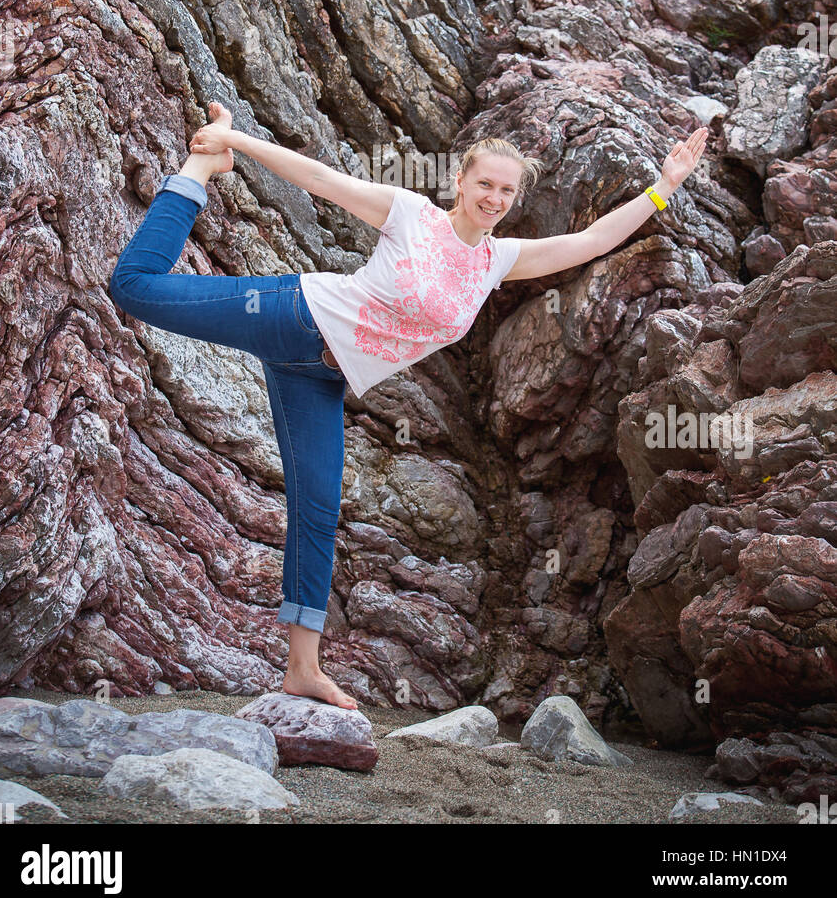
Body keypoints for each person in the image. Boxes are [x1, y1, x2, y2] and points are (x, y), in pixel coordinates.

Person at [109, 102, 708, 708]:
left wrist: (663, 187)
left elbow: (591, 240)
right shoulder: (410, 215)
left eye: (506, 189)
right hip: (294, 316)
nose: (493, 197)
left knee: (316, 506)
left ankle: (302, 669)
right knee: (136, 288)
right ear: (460, 181)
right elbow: (319, 178)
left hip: (319, 379)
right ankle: (198, 171)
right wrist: (232, 141)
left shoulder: (499, 261)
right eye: (484, 184)